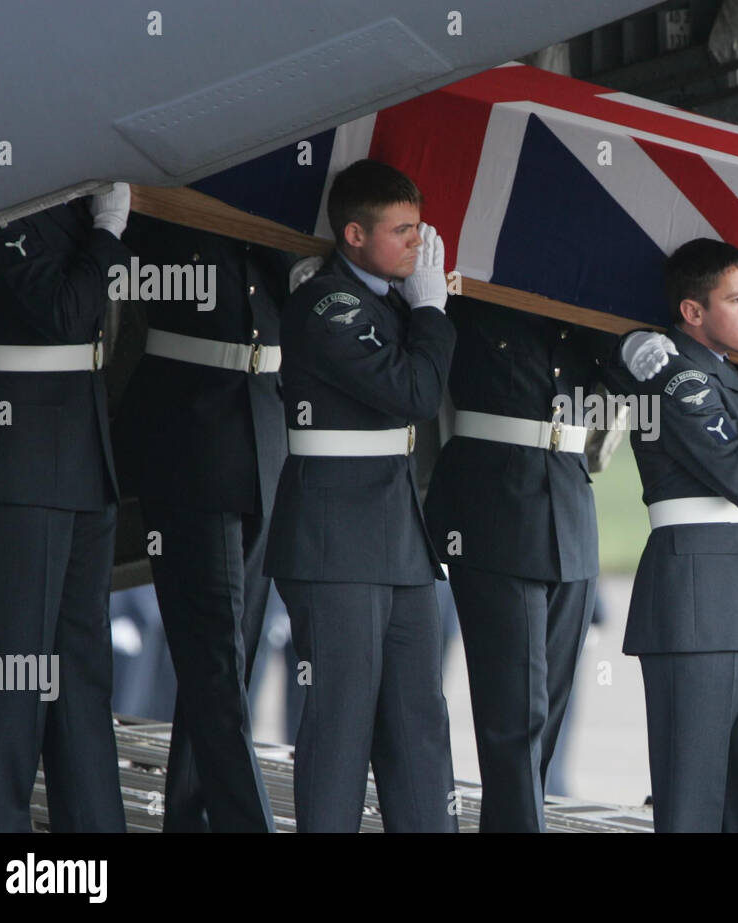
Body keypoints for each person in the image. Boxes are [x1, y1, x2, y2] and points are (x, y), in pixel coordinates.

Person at [263, 159, 458, 832]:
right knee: (342, 722)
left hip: (396, 540)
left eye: (418, 227)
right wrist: (431, 309)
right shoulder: (328, 303)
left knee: (419, 723)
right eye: (401, 231)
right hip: (335, 543)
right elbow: (414, 393)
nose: (417, 243)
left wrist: (416, 304)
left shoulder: (383, 300)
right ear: (353, 234)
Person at [613, 238, 738, 833]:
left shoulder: (729, 373)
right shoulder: (681, 381)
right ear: (693, 313)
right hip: (699, 601)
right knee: (692, 795)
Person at [0, 186, 132, 831]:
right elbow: (62, 311)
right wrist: (108, 232)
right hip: (20, 454)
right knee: (17, 675)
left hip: (81, 449)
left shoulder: (71, 208)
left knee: (82, 674)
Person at [114, 215, 294, 831]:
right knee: (216, 662)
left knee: (222, 669)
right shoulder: (171, 201)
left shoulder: (283, 203)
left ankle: (188, 820)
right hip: (191, 440)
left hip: (264, 437)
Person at [423, 296, 616, 832]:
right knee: (515, 718)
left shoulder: (588, 307)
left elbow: (621, 394)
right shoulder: (478, 292)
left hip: (569, 510)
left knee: (544, 720)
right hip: (493, 509)